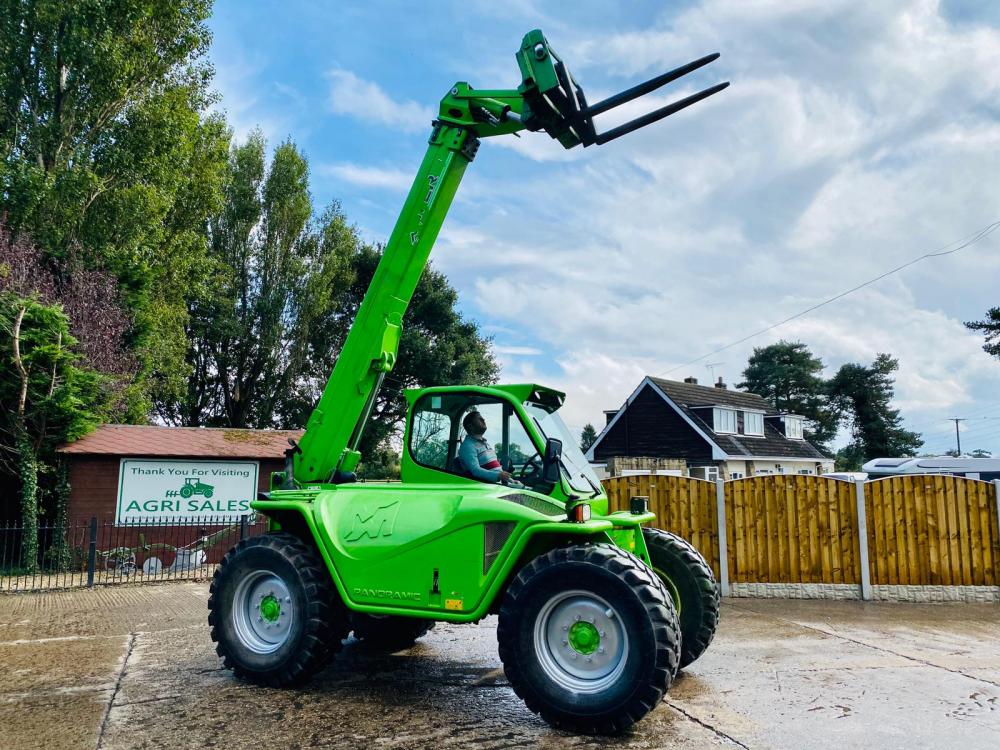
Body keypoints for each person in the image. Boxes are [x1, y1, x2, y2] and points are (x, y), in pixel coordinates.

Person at [458, 410, 514, 484]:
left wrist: (512, 481)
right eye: (479, 419)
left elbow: (497, 470)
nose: (483, 420)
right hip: (487, 488)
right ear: (470, 426)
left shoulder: (485, 443)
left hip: (497, 485)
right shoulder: (467, 446)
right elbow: (475, 471)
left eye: (483, 418)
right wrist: (499, 475)